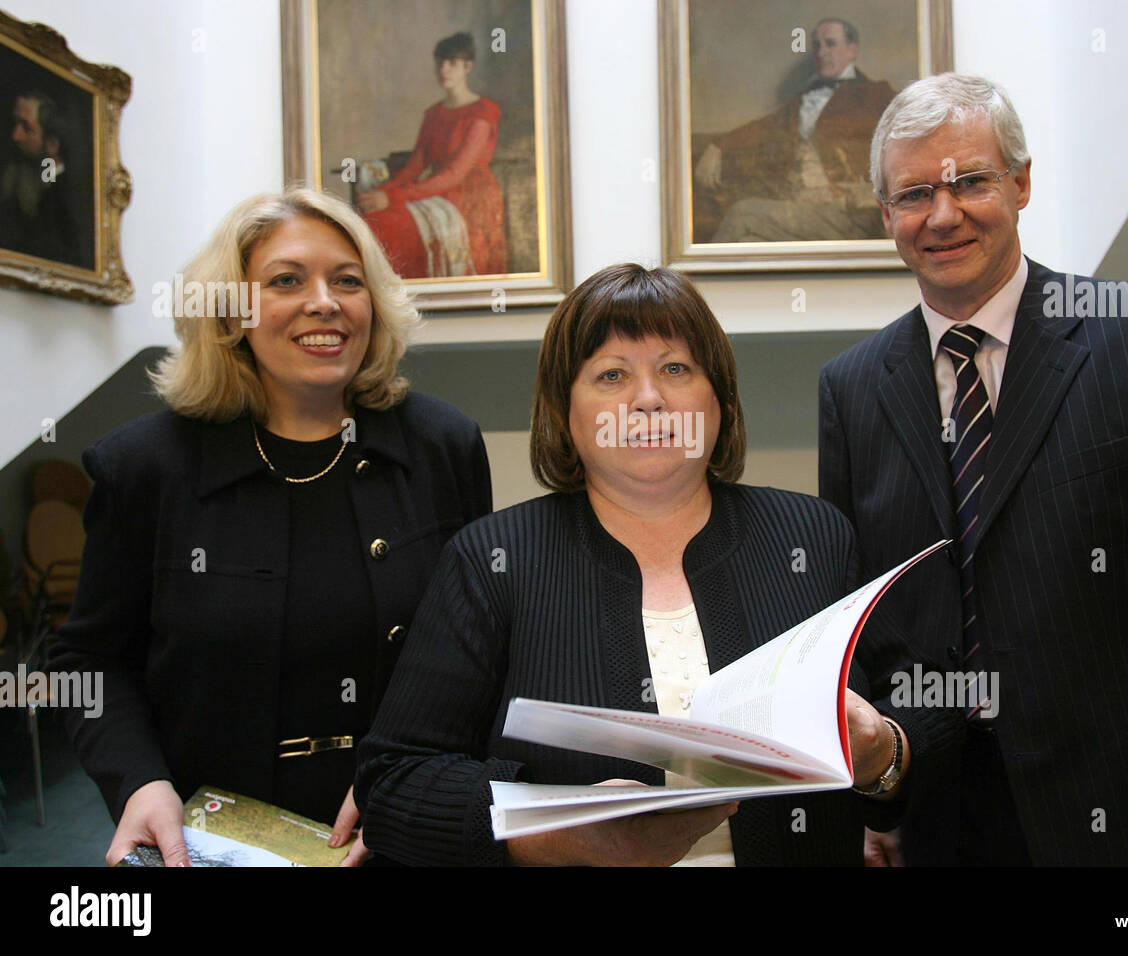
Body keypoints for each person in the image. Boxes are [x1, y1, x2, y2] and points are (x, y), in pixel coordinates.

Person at [818, 73, 1128, 865]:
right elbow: (867, 629)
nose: (943, 214)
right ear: (885, 216)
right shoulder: (852, 387)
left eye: (970, 181)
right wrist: (881, 802)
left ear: (1022, 182)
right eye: (913, 195)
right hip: (946, 829)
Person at [356, 263, 907, 866]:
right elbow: (395, 784)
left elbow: (913, 735)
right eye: (612, 374)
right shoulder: (494, 561)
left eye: (675, 368)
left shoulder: (815, 537)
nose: (647, 400)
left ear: (719, 399)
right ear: (565, 413)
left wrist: (883, 754)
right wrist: (566, 832)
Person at [48, 187, 493, 866]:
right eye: (287, 280)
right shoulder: (144, 466)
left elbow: (484, 651)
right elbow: (88, 660)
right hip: (217, 839)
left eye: (348, 280)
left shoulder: (443, 446)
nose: (326, 301)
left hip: (407, 826)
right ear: (231, 314)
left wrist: (427, 790)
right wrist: (139, 782)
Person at [693, 17, 895, 243]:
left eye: (830, 44)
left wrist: (865, 194)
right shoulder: (803, 98)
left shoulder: (876, 94)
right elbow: (764, 127)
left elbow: (901, 142)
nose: (822, 52)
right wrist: (717, 145)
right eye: (817, 45)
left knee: (742, 214)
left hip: (847, 211)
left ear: (852, 50)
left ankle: (686, 276)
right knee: (748, 243)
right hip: (801, 206)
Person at [357, 31, 506, 278]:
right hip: (434, 190)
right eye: (440, 62)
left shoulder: (482, 114)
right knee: (377, 220)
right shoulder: (434, 114)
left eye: (453, 63)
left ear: (468, 67)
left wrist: (393, 197)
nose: (444, 69)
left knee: (392, 225)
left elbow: (454, 174)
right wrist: (383, 192)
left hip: (471, 199)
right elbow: (415, 166)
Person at [1, 89, 92, 268]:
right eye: (15, 124)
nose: (15, 136)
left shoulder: (67, 195)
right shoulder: (17, 176)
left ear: (52, 144)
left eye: (26, 128)